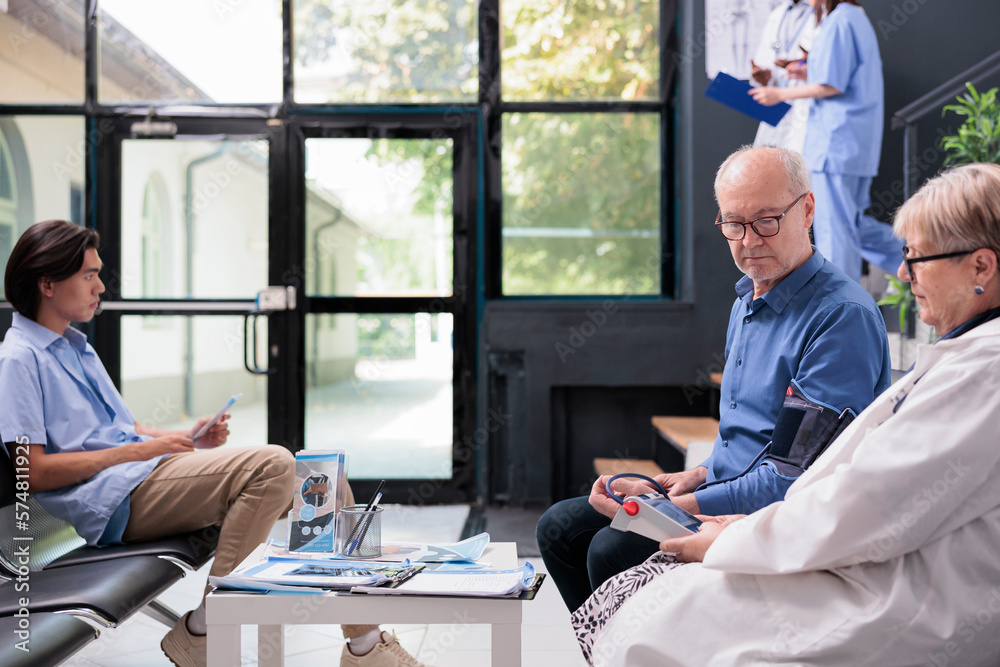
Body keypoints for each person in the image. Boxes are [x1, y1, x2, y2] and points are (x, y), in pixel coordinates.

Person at [573, 162, 1000, 666]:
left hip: (888, 591)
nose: (903, 274)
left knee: (649, 618)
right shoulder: (963, 357)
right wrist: (694, 482)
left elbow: (855, 502)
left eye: (917, 257)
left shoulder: (969, 368)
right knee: (594, 555)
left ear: (981, 267)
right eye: (734, 223)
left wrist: (723, 533)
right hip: (816, 536)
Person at [0, 220, 431, 667]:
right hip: (114, 504)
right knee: (274, 466)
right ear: (47, 283)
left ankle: (365, 646)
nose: (101, 286)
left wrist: (186, 438)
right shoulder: (19, 359)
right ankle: (203, 630)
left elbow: (121, 430)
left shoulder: (74, 347)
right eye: (89, 275)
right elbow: (33, 471)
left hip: (142, 478)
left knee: (324, 477)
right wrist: (139, 451)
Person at [536, 146, 892, 613]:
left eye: (766, 220)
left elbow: (794, 477)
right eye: (733, 224)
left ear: (806, 209)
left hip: (776, 517)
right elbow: (749, 441)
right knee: (559, 528)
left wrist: (677, 508)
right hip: (729, 490)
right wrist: (693, 477)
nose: (748, 241)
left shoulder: (839, 319)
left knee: (612, 547)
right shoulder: (747, 300)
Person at [750, 0, 902, 283]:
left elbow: (833, 85)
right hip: (850, 144)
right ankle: (922, 257)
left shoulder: (840, 21)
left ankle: (842, 307)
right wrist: (807, 73)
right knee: (852, 226)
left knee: (836, 232)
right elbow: (841, 75)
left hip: (835, 144)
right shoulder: (852, 18)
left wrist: (779, 95)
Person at [749, 0, 817, 152]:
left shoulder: (824, 13)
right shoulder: (777, 14)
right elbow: (765, 59)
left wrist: (809, 67)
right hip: (776, 107)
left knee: (802, 169)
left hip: (807, 106)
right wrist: (764, 77)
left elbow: (834, 72)